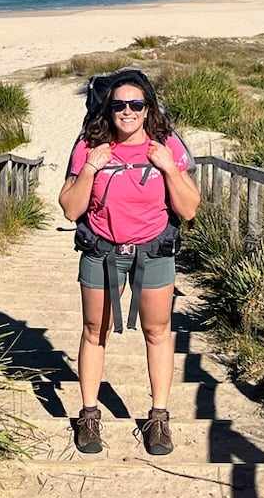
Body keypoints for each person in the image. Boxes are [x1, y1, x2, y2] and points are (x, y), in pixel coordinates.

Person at [58, 68, 200, 457]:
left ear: (148, 107)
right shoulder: (89, 145)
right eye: (118, 104)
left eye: (136, 104)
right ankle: (88, 415)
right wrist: (91, 167)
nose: (127, 111)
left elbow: (188, 209)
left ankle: (158, 417)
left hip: (153, 252)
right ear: (108, 108)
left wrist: (168, 166)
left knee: (157, 332)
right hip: (101, 251)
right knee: (93, 331)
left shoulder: (166, 144)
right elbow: (71, 209)